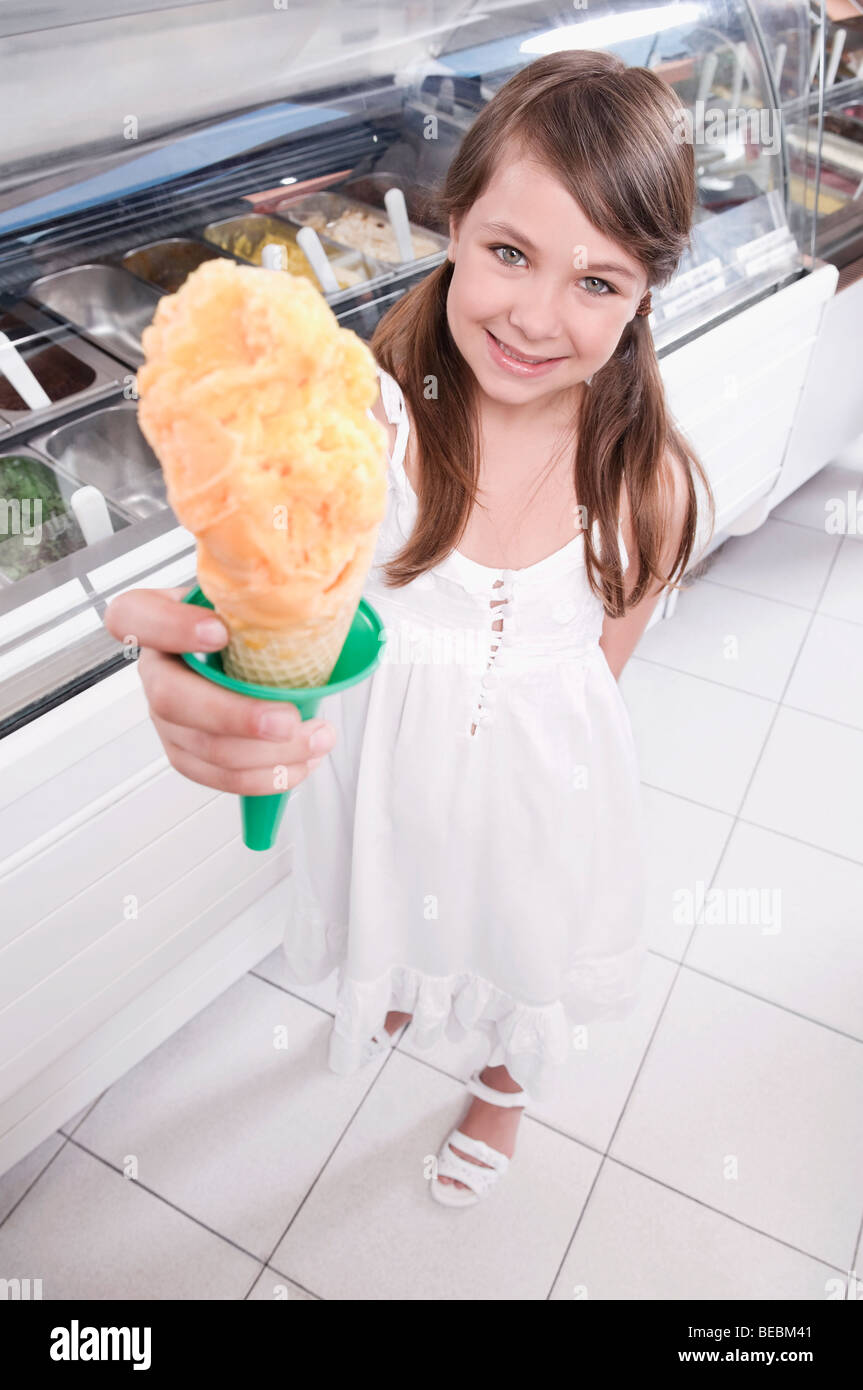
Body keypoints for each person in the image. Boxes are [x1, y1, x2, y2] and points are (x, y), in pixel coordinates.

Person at [105, 48, 715, 1208]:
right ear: (449, 226)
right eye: (508, 253)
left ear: (645, 292)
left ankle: (501, 1079)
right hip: (387, 775)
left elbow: (597, 683)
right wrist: (204, 648)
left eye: (597, 282)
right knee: (400, 893)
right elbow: (269, 585)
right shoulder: (365, 426)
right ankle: (400, 973)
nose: (536, 317)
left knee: (516, 933)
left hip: (538, 792)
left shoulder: (645, 486)